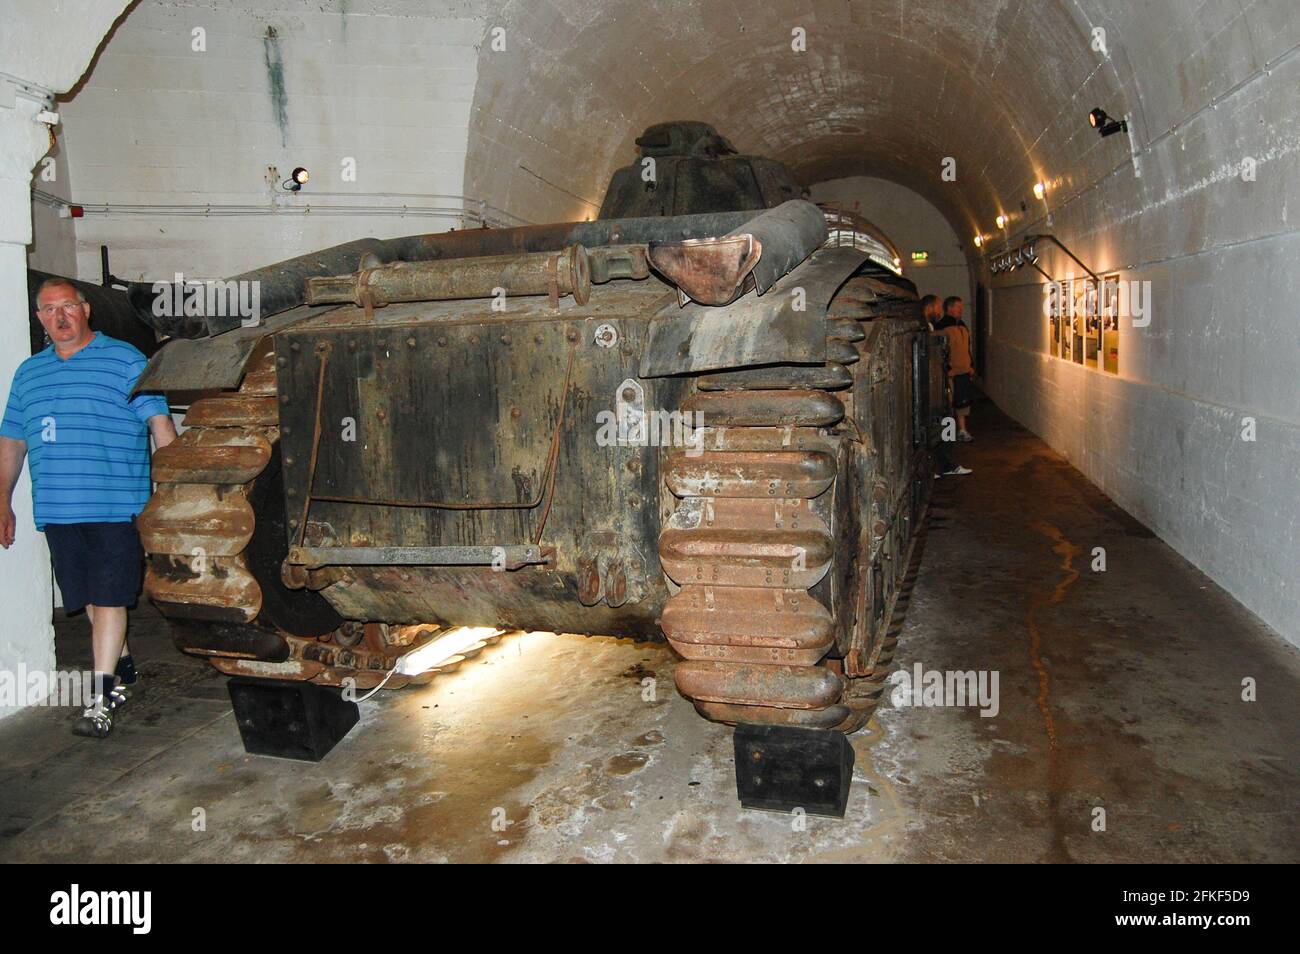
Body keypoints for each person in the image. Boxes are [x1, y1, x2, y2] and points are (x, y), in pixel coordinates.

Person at [0, 278, 176, 738]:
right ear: (39, 318)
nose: (60, 317)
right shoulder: (28, 374)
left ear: (86, 310)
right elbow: (13, 441)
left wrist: (175, 491)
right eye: (49, 310)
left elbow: (160, 425)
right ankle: (123, 661)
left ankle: (101, 699)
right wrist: (3, 500)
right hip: (58, 509)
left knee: (110, 596)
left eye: (69, 307)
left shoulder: (125, 360)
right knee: (94, 599)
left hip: (116, 506)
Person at [921, 295, 971, 477]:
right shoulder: (923, 327)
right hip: (931, 385)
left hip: (937, 383)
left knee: (946, 420)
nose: (940, 311)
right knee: (942, 422)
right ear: (930, 307)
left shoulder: (930, 327)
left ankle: (945, 464)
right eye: (938, 307)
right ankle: (940, 465)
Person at [934, 296, 974, 442]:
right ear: (949, 308)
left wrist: (971, 365)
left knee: (962, 402)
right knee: (948, 403)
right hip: (950, 372)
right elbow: (939, 351)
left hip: (963, 370)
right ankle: (948, 435)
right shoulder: (942, 327)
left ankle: (962, 430)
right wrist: (946, 368)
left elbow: (966, 348)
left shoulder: (962, 326)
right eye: (958, 306)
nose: (961, 309)